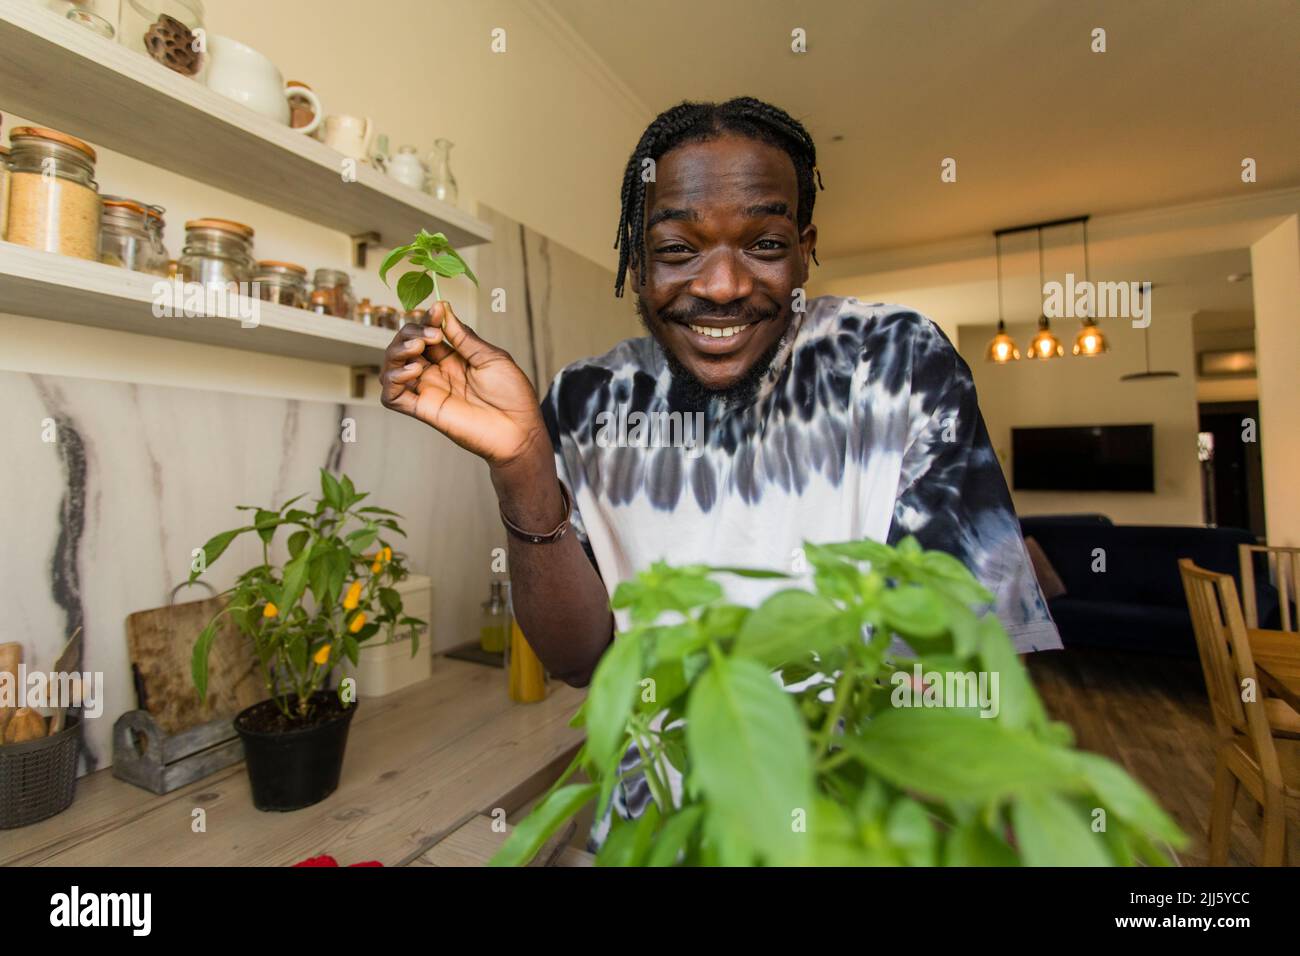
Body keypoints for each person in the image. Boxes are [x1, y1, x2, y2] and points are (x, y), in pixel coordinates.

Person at [381, 96, 1060, 841]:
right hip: (654, 837)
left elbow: (974, 667)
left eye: (764, 244)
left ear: (805, 248)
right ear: (637, 261)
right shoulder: (586, 398)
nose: (724, 285)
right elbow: (578, 659)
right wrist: (521, 466)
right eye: (679, 249)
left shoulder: (894, 363)